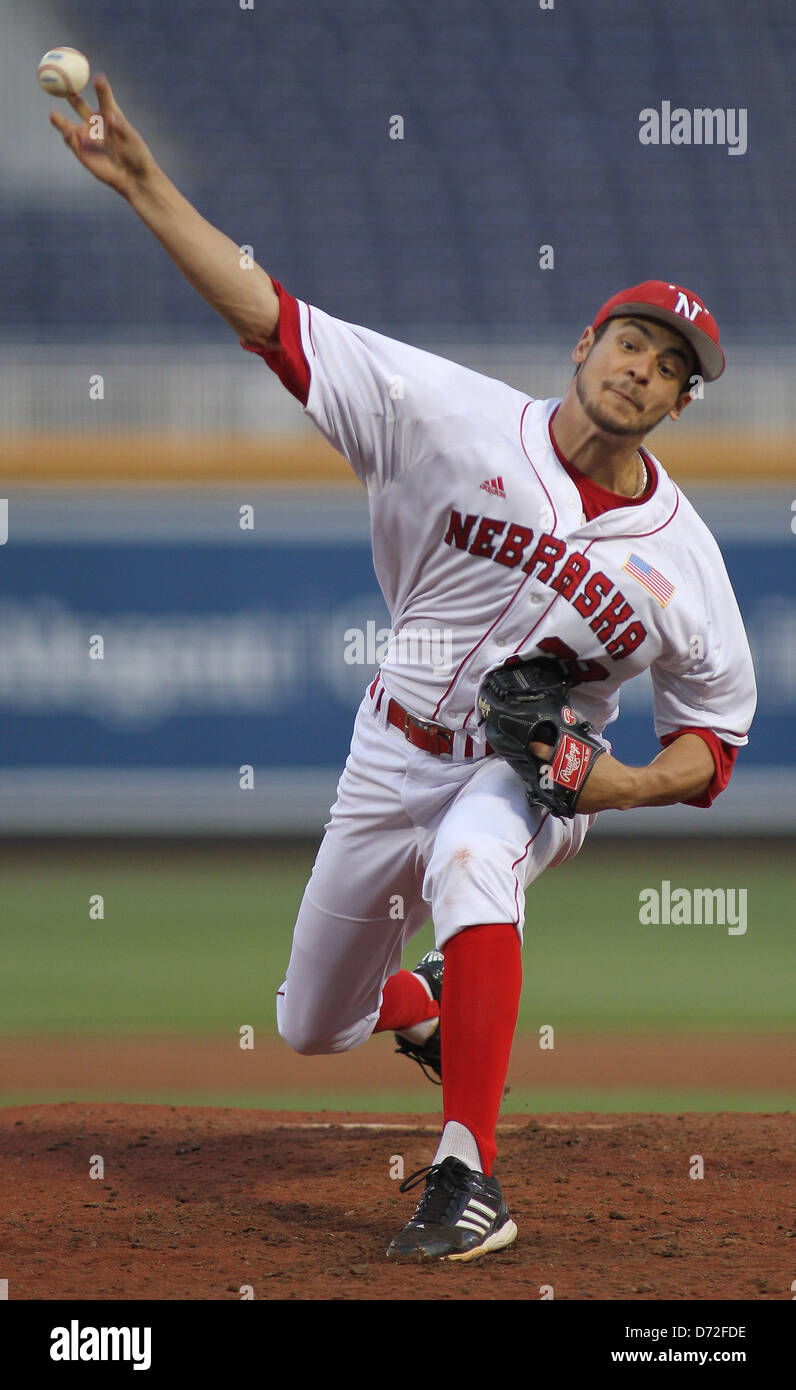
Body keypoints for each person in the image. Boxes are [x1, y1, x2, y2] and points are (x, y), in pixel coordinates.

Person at [52, 78, 757, 1263]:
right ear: (586, 343)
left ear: (681, 403)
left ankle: (466, 1173)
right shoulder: (444, 414)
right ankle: (429, 1001)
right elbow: (270, 315)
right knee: (308, 1024)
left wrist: (610, 784)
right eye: (631, 339)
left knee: (479, 852)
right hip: (390, 748)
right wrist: (140, 182)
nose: (641, 367)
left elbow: (717, 742)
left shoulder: (684, 562)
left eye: (669, 365)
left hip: (525, 778)